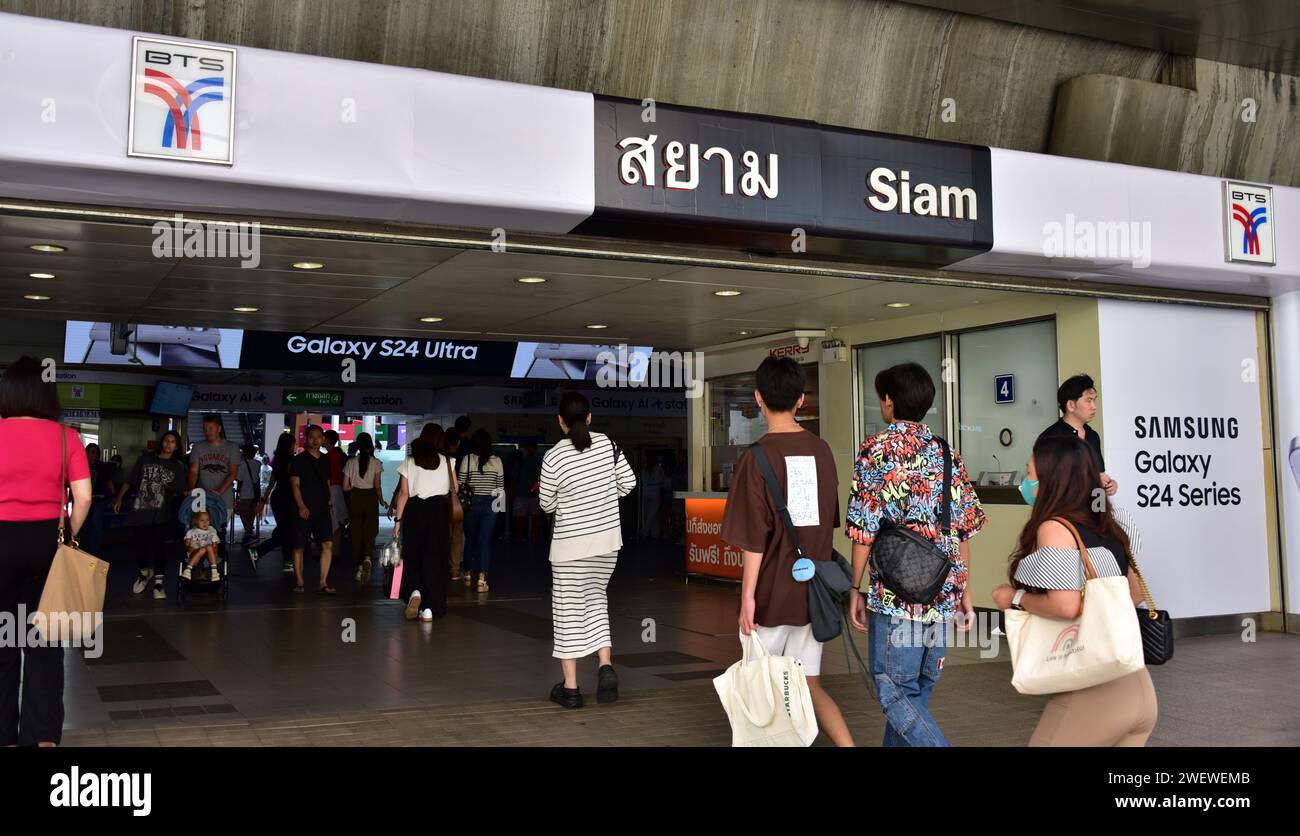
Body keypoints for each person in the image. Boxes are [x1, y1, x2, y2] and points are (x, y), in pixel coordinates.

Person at [846, 362, 987, 747]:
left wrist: (854, 589)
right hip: (942, 591)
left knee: (894, 692)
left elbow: (864, 529)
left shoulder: (876, 450)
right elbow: (963, 531)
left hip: (896, 596)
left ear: (889, 401)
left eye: (881, 397)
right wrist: (966, 596)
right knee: (917, 691)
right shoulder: (947, 454)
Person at [719, 357, 855, 747]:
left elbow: (754, 539)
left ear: (758, 398)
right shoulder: (823, 452)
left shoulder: (755, 458)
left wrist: (747, 598)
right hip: (814, 597)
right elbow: (826, 522)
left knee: (759, 690)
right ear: (801, 400)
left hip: (771, 596)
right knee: (808, 683)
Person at [993, 435, 1155, 746]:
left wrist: (1013, 598)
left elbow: (1066, 606)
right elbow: (1134, 596)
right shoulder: (1114, 521)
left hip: (1095, 691)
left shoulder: (1055, 529)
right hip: (1137, 683)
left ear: (1052, 479)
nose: (1025, 482)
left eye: (1029, 473)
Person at [0, 356, 92, 747]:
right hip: (48, 544)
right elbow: (83, 497)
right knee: (45, 643)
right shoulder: (65, 436)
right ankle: (41, 738)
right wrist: (66, 530)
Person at [540, 393, 636, 709]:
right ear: (590, 417)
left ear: (560, 421)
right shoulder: (607, 445)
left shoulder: (554, 457)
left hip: (570, 548)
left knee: (567, 613)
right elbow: (629, 483)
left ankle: (570, 689)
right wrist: (604, 498)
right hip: (608, 545)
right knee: (596, 600)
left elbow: (546, 504)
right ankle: (604, 665)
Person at [393, 427, 457, 622]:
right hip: (438, 512)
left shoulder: (410, 462)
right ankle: (429, 608)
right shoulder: (448, 461)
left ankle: (414, 591)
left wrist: (397, 521)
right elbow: (455, 488)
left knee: (413, 555)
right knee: (435, 559)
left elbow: (404, 494)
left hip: (415, 511)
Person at [116, 430, 186, 599]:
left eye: (172, 442)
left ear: (176, 446)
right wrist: (119, 497)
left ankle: (159, 584)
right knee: (139, 545)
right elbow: (131, 479)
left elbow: (181, 490)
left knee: (159, 546)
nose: (168, 444)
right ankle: (144, 572)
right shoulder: (146, 459)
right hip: (141, 510)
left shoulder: (178, 466)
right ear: (162, 442)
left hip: (162, 513)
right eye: (166, 441)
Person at [1039, 374, 1118, 497]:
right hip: (1063, 512)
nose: (1094, 407)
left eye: (1094, 400)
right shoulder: (1050, 438)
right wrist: (1092, 481)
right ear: (1071, 405)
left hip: (1094, 510)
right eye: (1088, 400)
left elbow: (1099, 474)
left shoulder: (1093, 436)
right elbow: (1048, 482)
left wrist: (1109, 484)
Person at [289, 425, 336, 594]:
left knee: (327, 544)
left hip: (322, 508)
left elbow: (327, 482)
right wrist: (301, 506)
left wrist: (330, 500)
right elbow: (295, 484)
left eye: (319, 437)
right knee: (299, 546)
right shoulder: (299, 460)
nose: (315, 440)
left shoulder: (325, 459)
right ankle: (300, 581)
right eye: (311, 437)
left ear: (323, 438)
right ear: (306, 439)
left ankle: (323, 582)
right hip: (304, 509)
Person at [458, 429, 504, 593]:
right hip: (491, 504)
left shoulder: (467, 459)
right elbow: (500, 487)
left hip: (471, 504)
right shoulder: (497, 461)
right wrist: (499, 510)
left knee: (470, 539)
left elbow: (460, 483)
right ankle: (482, 580)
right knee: (485, 542)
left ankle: (468, 574)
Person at [187, 414, 240, 542]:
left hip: (224, 500)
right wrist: (191, 488)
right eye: (204, 429)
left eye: (210, 428)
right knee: (200, 531)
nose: (207, 432)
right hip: (202, 498)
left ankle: (217, 559)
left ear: (219, 428)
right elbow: (193, 471)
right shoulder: (198, 447)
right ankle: (202, 558)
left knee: (217, 532)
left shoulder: (232, 447)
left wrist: (220, 491)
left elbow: (233, 473)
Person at [344, 431, 385, 583]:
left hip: (355, 498)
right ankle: (368, 556)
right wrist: (381, 500)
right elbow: (377, 485)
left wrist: (355, 488)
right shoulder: (376, 463)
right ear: (370, 445)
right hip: (370, 498)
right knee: (370, 530)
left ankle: (359, 568)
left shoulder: (350, 462)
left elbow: (345, 487)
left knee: (356, 533)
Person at [257, 432, 298, 574]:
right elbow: (295, 484)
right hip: (289, 499)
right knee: (287, 531)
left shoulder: (277, 460)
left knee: (284, 530)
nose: (295, 446)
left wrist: (263, 500)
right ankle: (258, 552)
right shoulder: (292, 461)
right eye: (294, 443)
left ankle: (287, 561)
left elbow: (271, 483)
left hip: (277, 498)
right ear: (289, 445)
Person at [82, 442, 118, 555]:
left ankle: (94, 548)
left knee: (96, 523)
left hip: (99, 499)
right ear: (87, 452)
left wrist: (114, 497)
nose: (95, 453)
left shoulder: (102, 466)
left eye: (96, 451)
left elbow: (109, 481)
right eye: (92, 451)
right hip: (83, 500)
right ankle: (83, 546)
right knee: (84, 523)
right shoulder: (81, 464)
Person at [322, 429, 350, 559]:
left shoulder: (329, 456)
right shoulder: (337, 455)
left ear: (327, 440)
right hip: (336, 489)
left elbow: (327, 476)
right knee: (337, 521)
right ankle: (335, 550)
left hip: (331, 490)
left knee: (334, 523)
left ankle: (334, 551)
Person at [511, 442, 543, 544]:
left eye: (532, 448)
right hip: (523, 495)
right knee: (522, 519)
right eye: (529, 447)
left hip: (533, 495)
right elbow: (514, 479)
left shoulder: (537, 462)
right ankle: (522, 538)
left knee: (534, 518)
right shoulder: (521, 462)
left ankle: (533, 538)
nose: (530, 450)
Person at [182, 509, 221, 582]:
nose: (205, 523)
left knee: (208, 547)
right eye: (202, 520)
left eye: (207, 520)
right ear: (196, 521)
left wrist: (213, 551)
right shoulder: (191, 532)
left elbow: (215, 548)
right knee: (202, 549)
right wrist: (189, 547)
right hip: (195, 555)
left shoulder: (212, 533)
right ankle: (188, 569)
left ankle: (214, 572)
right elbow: (187, 546)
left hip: (208, 556)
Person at [235, 444, 262, 546]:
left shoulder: (242, 465)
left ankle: (249, 533)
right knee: (251, 515)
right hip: (255, 493)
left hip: (245, 493)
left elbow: (239, 480)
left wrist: (237, 493)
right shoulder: (258, 463)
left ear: (244, 453)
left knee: (243, 514)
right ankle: (249, 534)